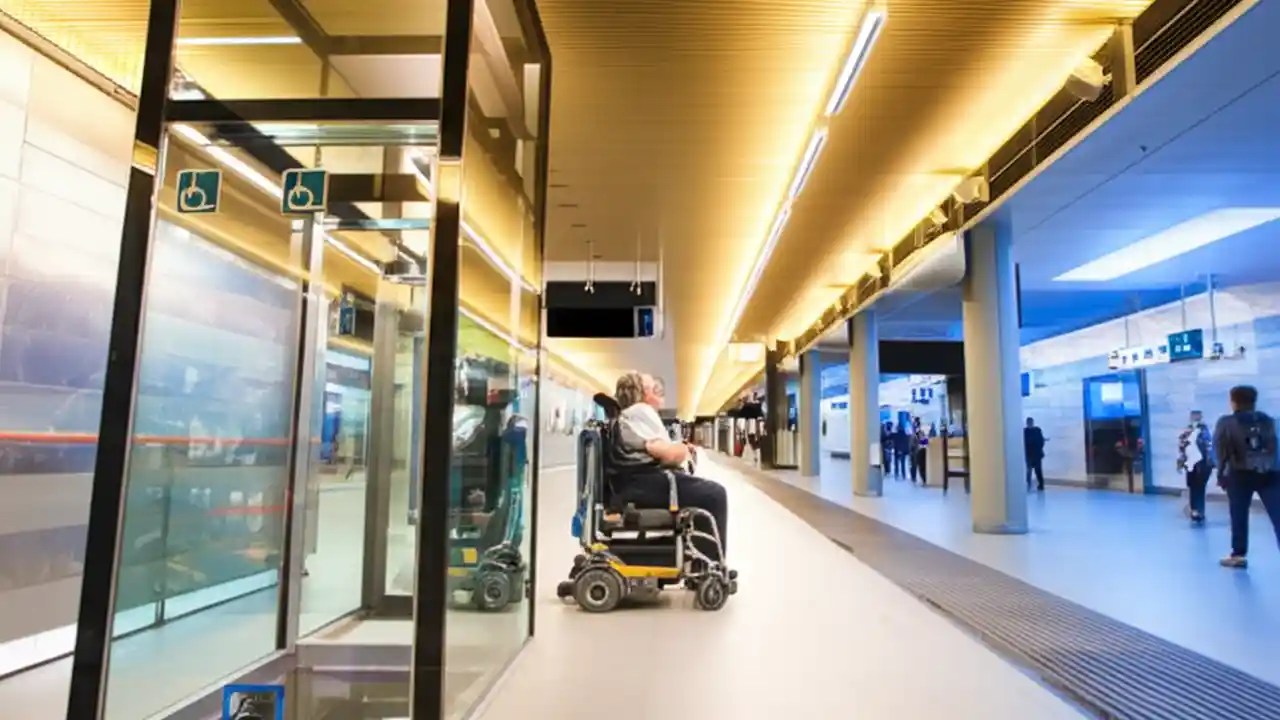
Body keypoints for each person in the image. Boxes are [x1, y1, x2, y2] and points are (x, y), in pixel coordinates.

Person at [612, 371, 730, 561]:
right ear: (642, 393)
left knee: (703, 492)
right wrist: (682, 450)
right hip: (645, 484)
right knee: (714, 495)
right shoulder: (641, 411)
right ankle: (710, 563)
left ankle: (700, 557)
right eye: (653, 388)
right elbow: (664, 453)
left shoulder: (630, 415)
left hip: (637, 482)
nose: (659, 393)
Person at [1212, 385, 1280, 569]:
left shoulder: (1226, 422)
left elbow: (1220, 449)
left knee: (1239, 514)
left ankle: (1238, 555)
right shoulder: (1268, 420)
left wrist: (1221, 474)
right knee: (1277, 514)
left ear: (1233, 402)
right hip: (1270, 474)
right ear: (1254, 401)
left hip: (1239, 474)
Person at [1177, 410, 1214, 524]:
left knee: (1200, 487)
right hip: (1191, 463)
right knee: (1193, 486)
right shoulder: (1187, 430)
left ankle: (1199, 510)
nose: (1195, 418)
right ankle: (1194, 509)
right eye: (1193, 416)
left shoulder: (1203, 431)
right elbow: (1182, 447)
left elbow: (1208, 446)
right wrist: (1181, 461)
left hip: (1201, 464)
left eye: (1197, 416)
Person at [1024, 418, 1046, 491]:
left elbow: (1041, 441)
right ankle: (1030, 485)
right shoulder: (1026, 431)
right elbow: (1041, 441)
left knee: (1036, 470)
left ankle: (1040, 485)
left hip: (1035, 454)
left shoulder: (1033, 431)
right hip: (1031, 454)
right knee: (1030, 471)